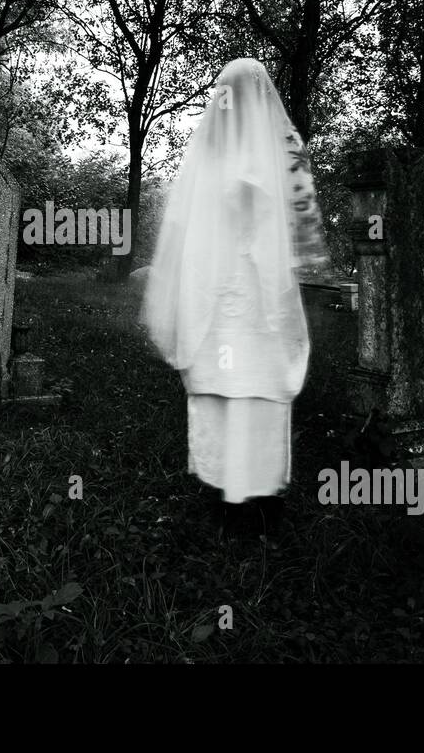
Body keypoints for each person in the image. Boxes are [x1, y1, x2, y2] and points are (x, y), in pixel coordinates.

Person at [142, 58, 329, 538]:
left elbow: (300, 235)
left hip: (255, 299)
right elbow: (187, 230)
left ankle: (246, 497)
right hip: (228, 296)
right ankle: (234, 495)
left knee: (254, 391)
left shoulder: (282, 153)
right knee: (232, 389)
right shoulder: (226, 154)